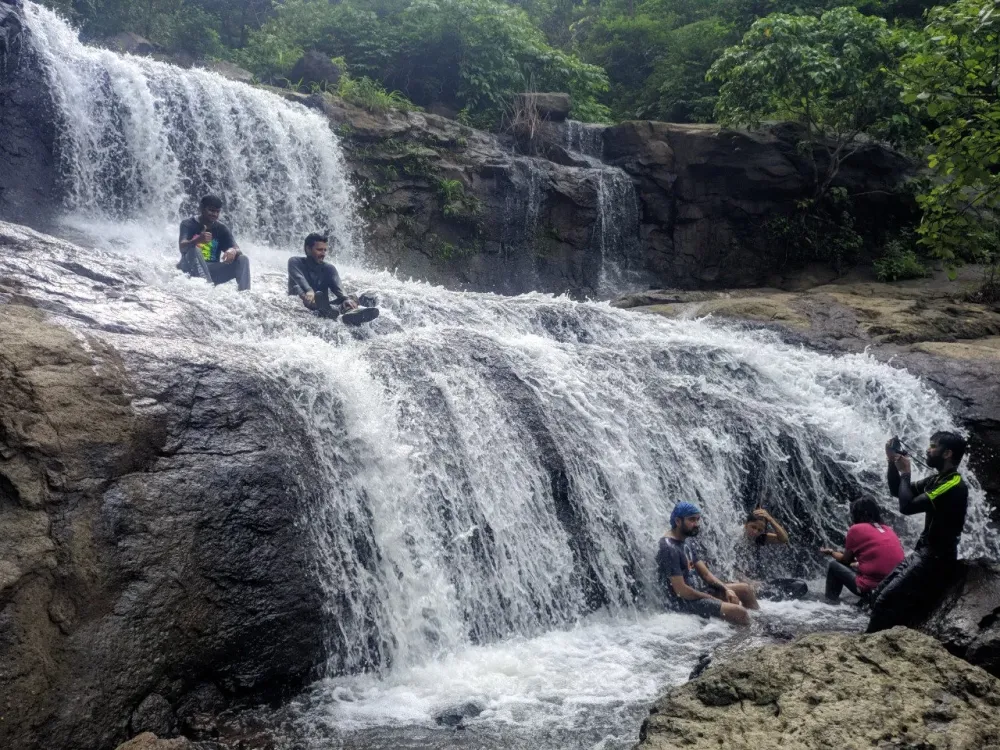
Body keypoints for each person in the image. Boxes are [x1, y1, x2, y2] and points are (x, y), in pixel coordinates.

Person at [866, 432, 969, 632]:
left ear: (947, 453)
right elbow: (897, 491)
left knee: (884, 602)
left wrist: (906, 473)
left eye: (933, 446)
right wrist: (891, 462)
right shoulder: (938, 479)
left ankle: (868, 644)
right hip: (923, 552)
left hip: (937, 558)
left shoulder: (952, 484)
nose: (928, 450)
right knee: (876, 595)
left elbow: (907, 507)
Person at [657, 502, 759, 626]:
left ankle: (757, 624)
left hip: (697, 593)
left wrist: (726, 589)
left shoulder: (686, 540)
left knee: (745, 590)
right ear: (678, 521)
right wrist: (709, 597)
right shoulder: (669, 548)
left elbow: (705, 574)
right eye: (692, 520)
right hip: (683, 602)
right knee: (739, 612)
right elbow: (680, 591)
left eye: (697, 519)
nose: (696, 524)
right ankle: (747, 634)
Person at [820, 497, 904, 604]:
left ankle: (829, 603)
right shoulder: (887, 529)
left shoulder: (856, 529)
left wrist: (831, 552)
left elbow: (845, 560)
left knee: (834, 566)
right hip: (895, 585)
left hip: (873, 588)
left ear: (856, 514)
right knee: (855, 565)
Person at [288, 232, 374, 321]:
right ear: (308, 249)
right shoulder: (295, 262)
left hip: (325, 305)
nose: (323, 254)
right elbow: (298, 278)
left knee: (351, 297)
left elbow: (339, 289)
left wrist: (346, 299)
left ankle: (350, 313)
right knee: (297, 287)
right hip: (305, 303)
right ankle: (329, 310)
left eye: (325, 250)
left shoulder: (329, 268)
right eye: (319, 250)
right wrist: (309, 290)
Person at [178, 195, 250, 291]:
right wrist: (197, 240)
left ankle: (245, 293)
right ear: (202, 208)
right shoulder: (188, 224)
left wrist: (232, 250)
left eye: (217, 212)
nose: (215, 214)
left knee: (243, 259)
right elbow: (182, 247)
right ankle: (206, 289)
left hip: (212, 270)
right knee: (194, 249)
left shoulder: (221, 228)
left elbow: (238, 250)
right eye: (211, 210)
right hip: (189, 268)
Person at [740, 508, 806, 600]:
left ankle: (781, 604)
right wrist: (748, 582)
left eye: (760, 530)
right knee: (774, 594)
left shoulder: (759, 538)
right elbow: (729, 569)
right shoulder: (734, 537)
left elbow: (784, 539)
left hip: (755, 583)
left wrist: (770, 519)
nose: (755, 532)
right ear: (745, 524)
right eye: (753, 527)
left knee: (800, 585)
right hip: (741, 584)